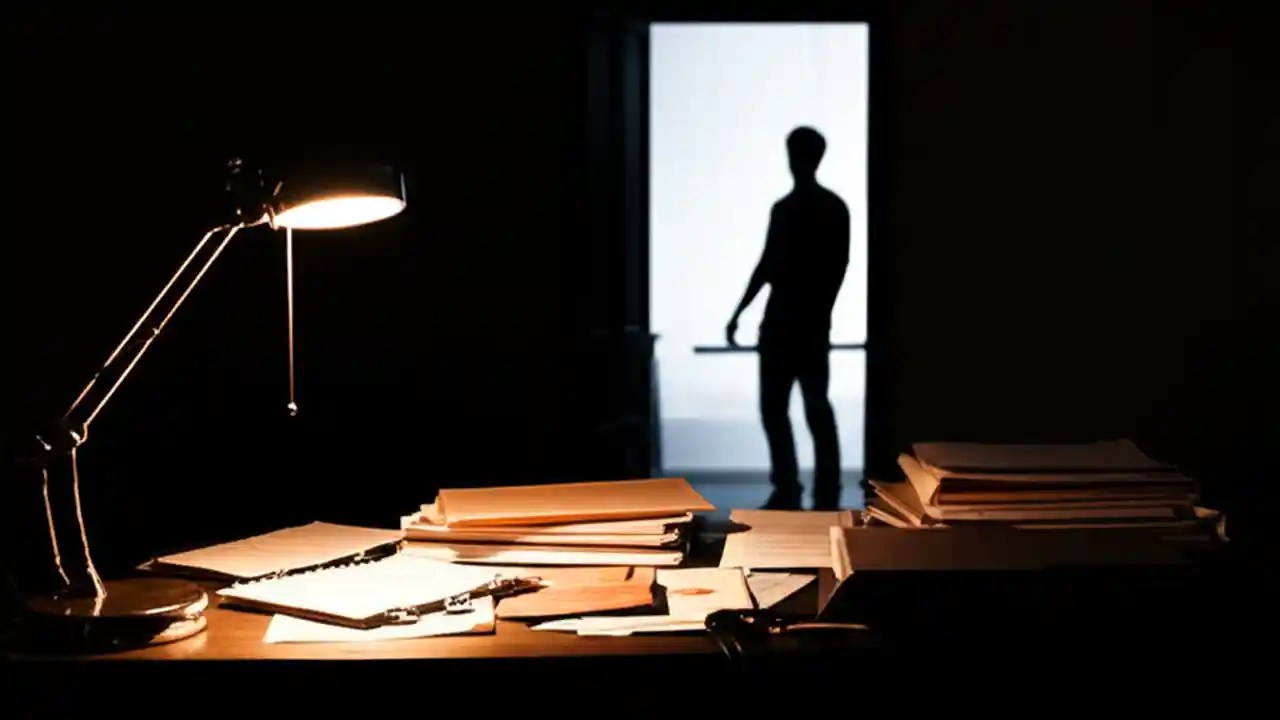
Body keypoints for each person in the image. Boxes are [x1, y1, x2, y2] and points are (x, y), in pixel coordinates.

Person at [726, 126, 850, 510]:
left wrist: (739, 313)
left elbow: (768, 266)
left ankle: (792, 485)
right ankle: (823, 487)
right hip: (804, 326)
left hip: (783, 324)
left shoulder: (790, 210)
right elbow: (835, 268)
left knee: (783, 408)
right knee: (812, 406)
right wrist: (820, 312)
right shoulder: (831, 208)